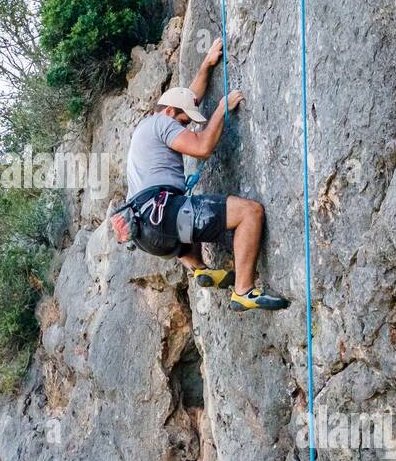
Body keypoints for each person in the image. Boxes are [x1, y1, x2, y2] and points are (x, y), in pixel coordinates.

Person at [121, 38, 289, 310]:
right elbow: (202, 147)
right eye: (184, 122)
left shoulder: (147, 131)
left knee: (184, 219)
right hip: (164, 215)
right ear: (168, 112)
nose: (186, 128)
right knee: (250, 213)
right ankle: (244, 291)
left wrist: (207, 64)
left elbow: (190, 98)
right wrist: (222, 109)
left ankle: (199, 268)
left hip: (146, 233)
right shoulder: (163, 123)